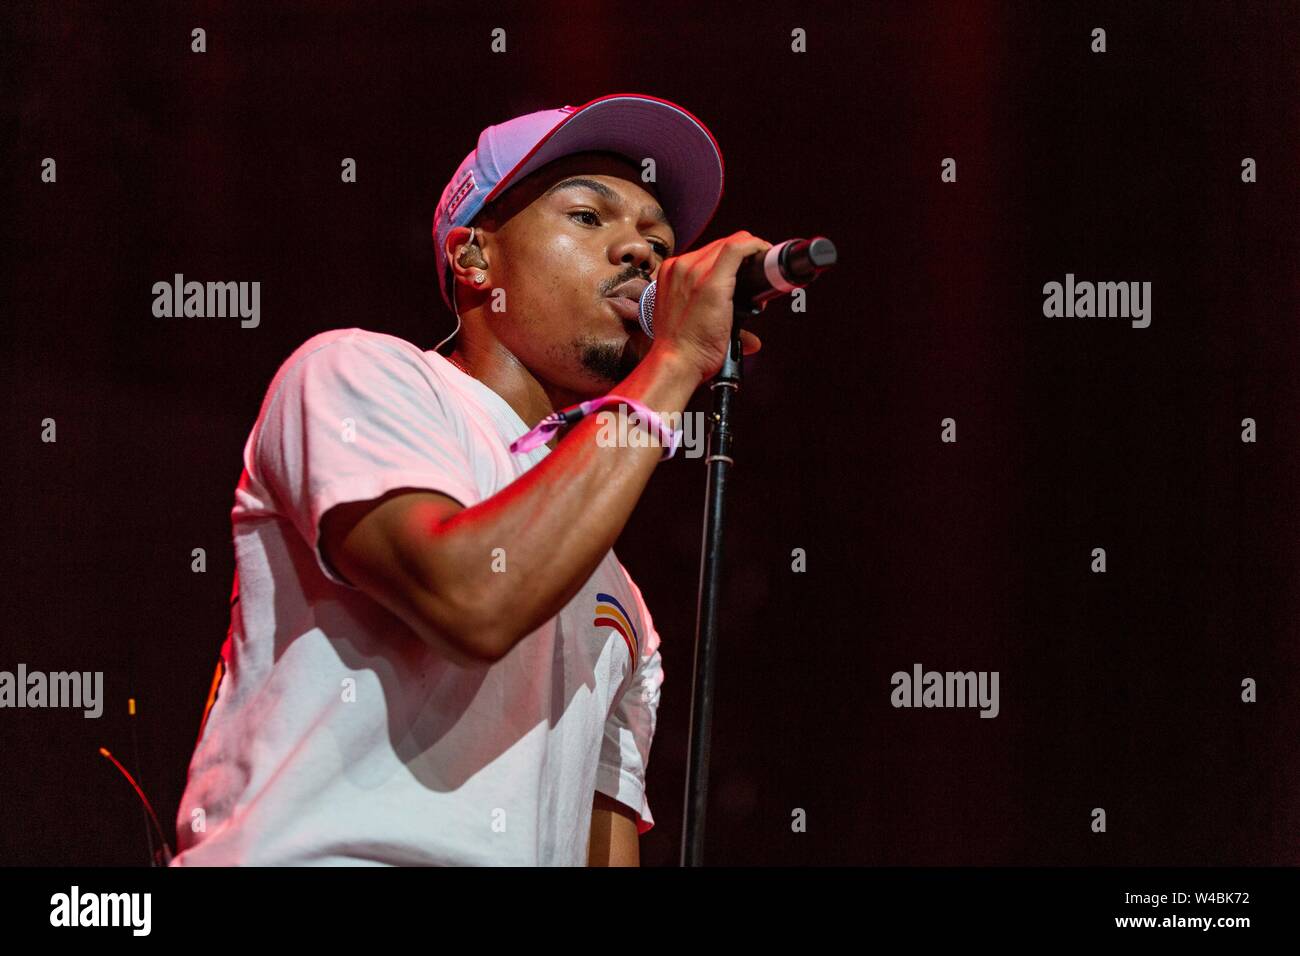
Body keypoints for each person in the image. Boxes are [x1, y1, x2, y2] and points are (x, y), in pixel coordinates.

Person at [170, 93, 769, 866]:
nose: (640, 254)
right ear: (474, 257)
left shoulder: (620, 596)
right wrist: (676, 365)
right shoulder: (356, 374)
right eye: (590, 218)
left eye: (658, 241)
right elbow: (470, 600)